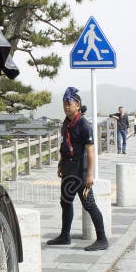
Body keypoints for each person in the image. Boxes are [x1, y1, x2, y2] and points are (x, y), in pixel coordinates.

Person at [46, 87, 108, 251]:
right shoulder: (66, 123)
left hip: (81, 171)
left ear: (78, 106)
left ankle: (102, 239)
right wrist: (60, 164)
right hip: (68, 169)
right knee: (65, 202)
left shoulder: (84, 124)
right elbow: (64, 145)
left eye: (70, 104)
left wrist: (90, 174)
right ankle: (65, 236)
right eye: (64, 103)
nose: (66, 107)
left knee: (89, 205)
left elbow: (90, 151)